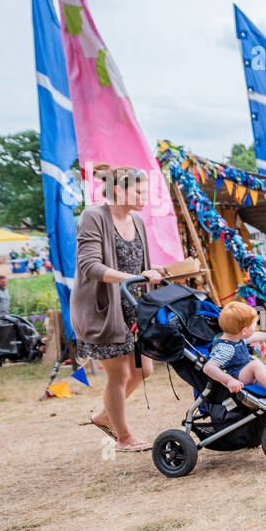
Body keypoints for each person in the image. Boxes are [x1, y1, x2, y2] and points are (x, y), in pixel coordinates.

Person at [72, 167, 167, 453]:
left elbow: (138, 265)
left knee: (144, 368)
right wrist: (132, 278)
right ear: (118, 190)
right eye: (139, 191)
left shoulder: (136, 220)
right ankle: (123, 436)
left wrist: (152, 272)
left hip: (133, 305)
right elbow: (90, 267)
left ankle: (104, 416)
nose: (144, 197)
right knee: (119, 375)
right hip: (103, 309)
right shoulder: (93, 217)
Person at [201, 301, 266, 399]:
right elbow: (208, 368)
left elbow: (256, 335)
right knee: (255, 365)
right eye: (254, 325)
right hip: (237, 377)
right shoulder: (225, 347)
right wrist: (229, 380)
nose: (255, 327)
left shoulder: (237, 337)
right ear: (244, 331)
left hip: (245, 373)